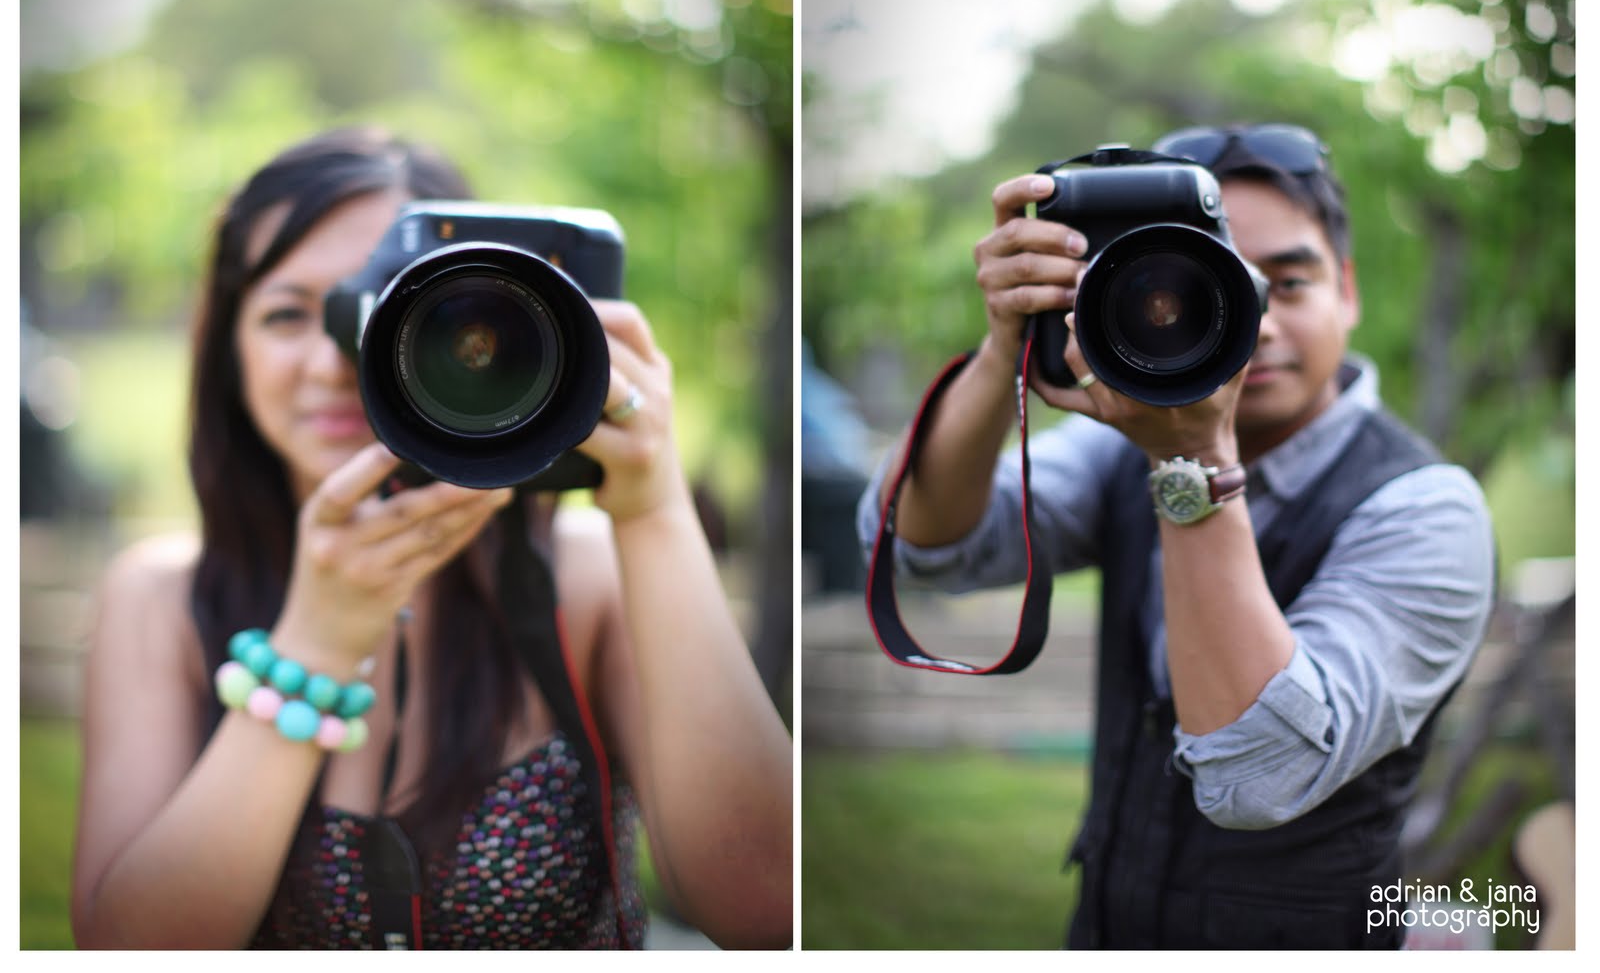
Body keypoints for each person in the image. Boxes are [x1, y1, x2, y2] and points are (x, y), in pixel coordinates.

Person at [70, 127, 792, 950]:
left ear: (510, 316)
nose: (341, 356)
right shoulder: (161, 600)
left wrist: (654, 510)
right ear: (226, 350)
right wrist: (316, 642)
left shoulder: (584, 582)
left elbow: (767, 908)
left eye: (386, 302)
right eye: (285, 313)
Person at [857, 123, 1494, 949]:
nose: (1255, 321)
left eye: (1285, 284)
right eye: (1194, 285)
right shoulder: (1118, 442)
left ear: (1348, 288)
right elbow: (927, 542)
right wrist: (1003, 346)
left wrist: (1191, 457)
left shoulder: (1427, 510)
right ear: (1106, 292)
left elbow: (1261, 775)